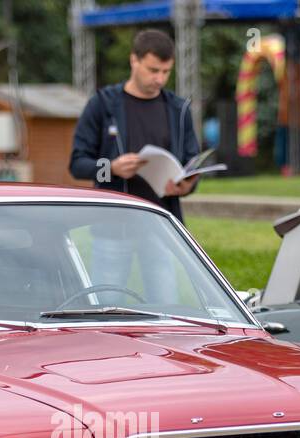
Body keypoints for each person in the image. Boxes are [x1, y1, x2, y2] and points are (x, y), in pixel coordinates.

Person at [68, 29, 201, 306]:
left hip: (161, 225)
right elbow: (77, 164)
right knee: (106, 306)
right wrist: (111, 168)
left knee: (167, 308)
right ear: (134, 60)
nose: (159, 79)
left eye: (166, 72)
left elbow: (191, 163)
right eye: (153, 70)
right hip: (113, 225)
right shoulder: (102, 105)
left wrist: (186, 185)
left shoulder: (179, 109)